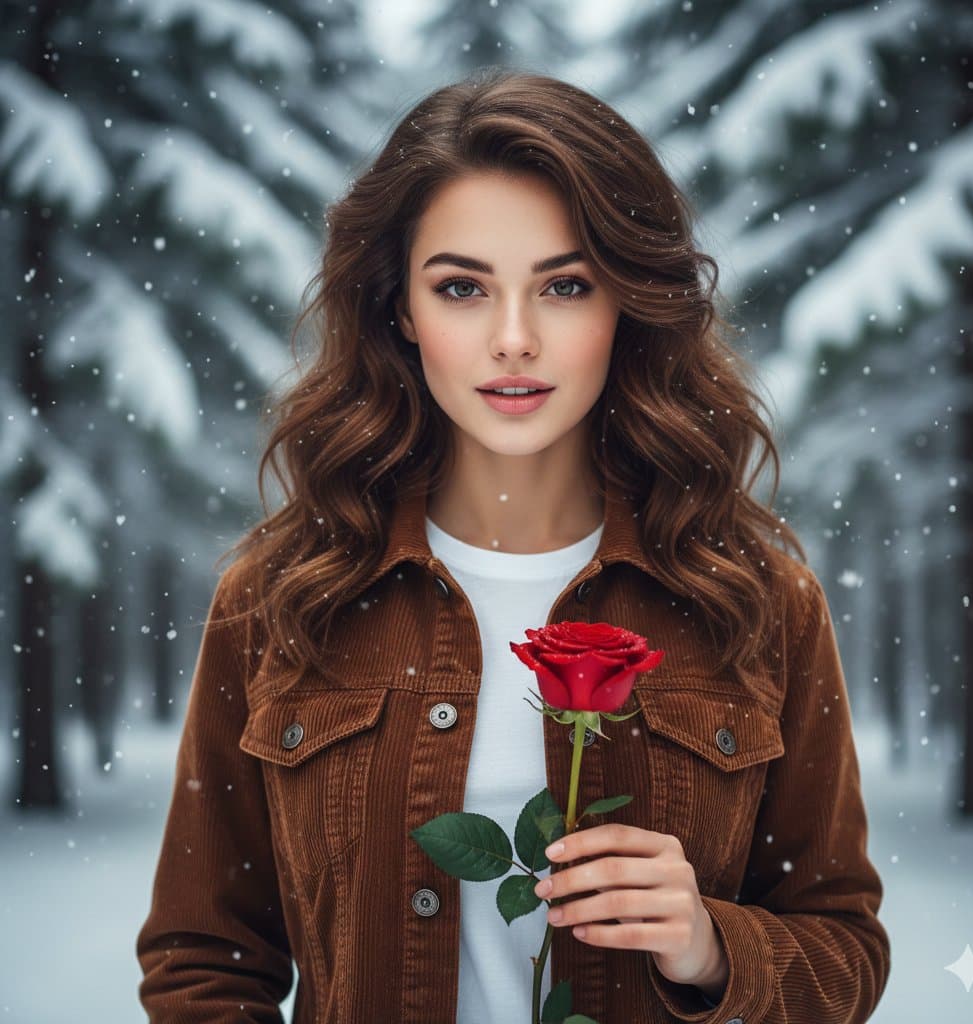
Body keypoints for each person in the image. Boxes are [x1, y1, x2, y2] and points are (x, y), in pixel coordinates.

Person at [136, 67, 890, 1023]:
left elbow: (844, 951)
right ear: (401, 311)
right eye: (462, 287)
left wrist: (708, 944)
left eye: (566, 286)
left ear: (626, 303)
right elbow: (203, 959)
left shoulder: (754, 599)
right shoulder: (281, 596)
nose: (514, 339)